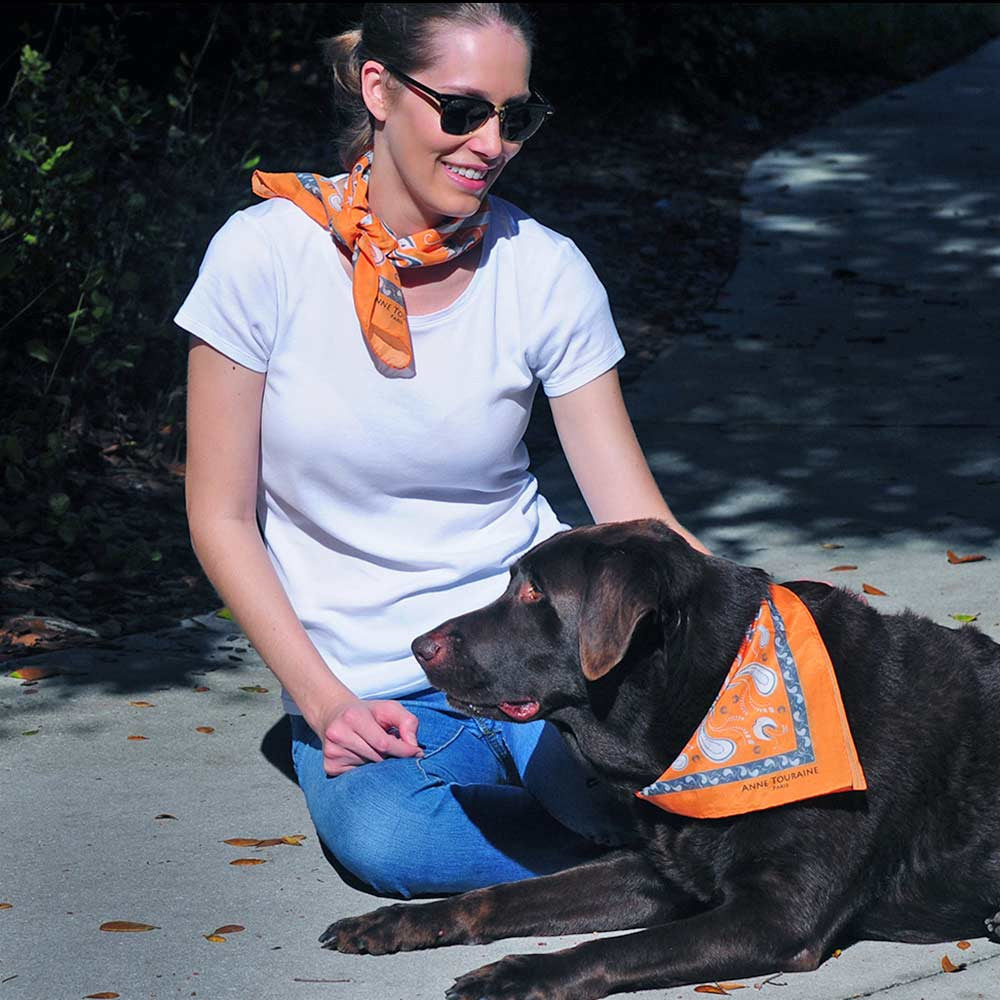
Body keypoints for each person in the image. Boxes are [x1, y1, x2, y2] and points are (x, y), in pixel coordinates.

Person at [176, 2, 706, 899]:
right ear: (379, 90)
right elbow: (219, 516)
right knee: (398, 844)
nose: (491, 144)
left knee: (670, 782)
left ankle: (662, 861)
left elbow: (634, 515)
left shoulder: (543, 268)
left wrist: (767, 629)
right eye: (462, 111)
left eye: (516, 117)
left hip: (545, 657)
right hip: (371, 684)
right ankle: (672, 872)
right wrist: (325, 704)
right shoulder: (261, 257)